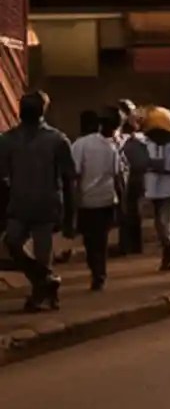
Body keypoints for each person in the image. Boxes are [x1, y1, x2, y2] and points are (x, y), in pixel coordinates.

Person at [0, 92, 75, 311]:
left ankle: (43, 293)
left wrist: (70, 217)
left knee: (43, 253)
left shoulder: (57, 140)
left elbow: (69, 180)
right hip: (20, 203)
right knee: (12, 244)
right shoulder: (7, 140)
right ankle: (46, 280)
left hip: (46, 204)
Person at [70, 106, 127, 291]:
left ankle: (97, 272)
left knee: (90, 240)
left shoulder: (80, 145)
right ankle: (99, 272)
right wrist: (122, 203)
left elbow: (75, 176)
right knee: (100, 240)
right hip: (107, 200)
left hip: (88, 201)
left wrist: (73, 202)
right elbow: (118, 178)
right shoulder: (112, 147)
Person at [143, 122, 170, 272]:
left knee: (165, 221)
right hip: (154, 187)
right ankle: (168, 252)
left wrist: (165, 167)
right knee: (159, 223)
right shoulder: (149, 144)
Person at [116, 100, 149, 256]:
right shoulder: (118, 135)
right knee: (126, 211)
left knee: (133, 211)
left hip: (135, 176)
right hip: (123, 176)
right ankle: (127, 245)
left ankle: (133, 245)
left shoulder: (140, 138)